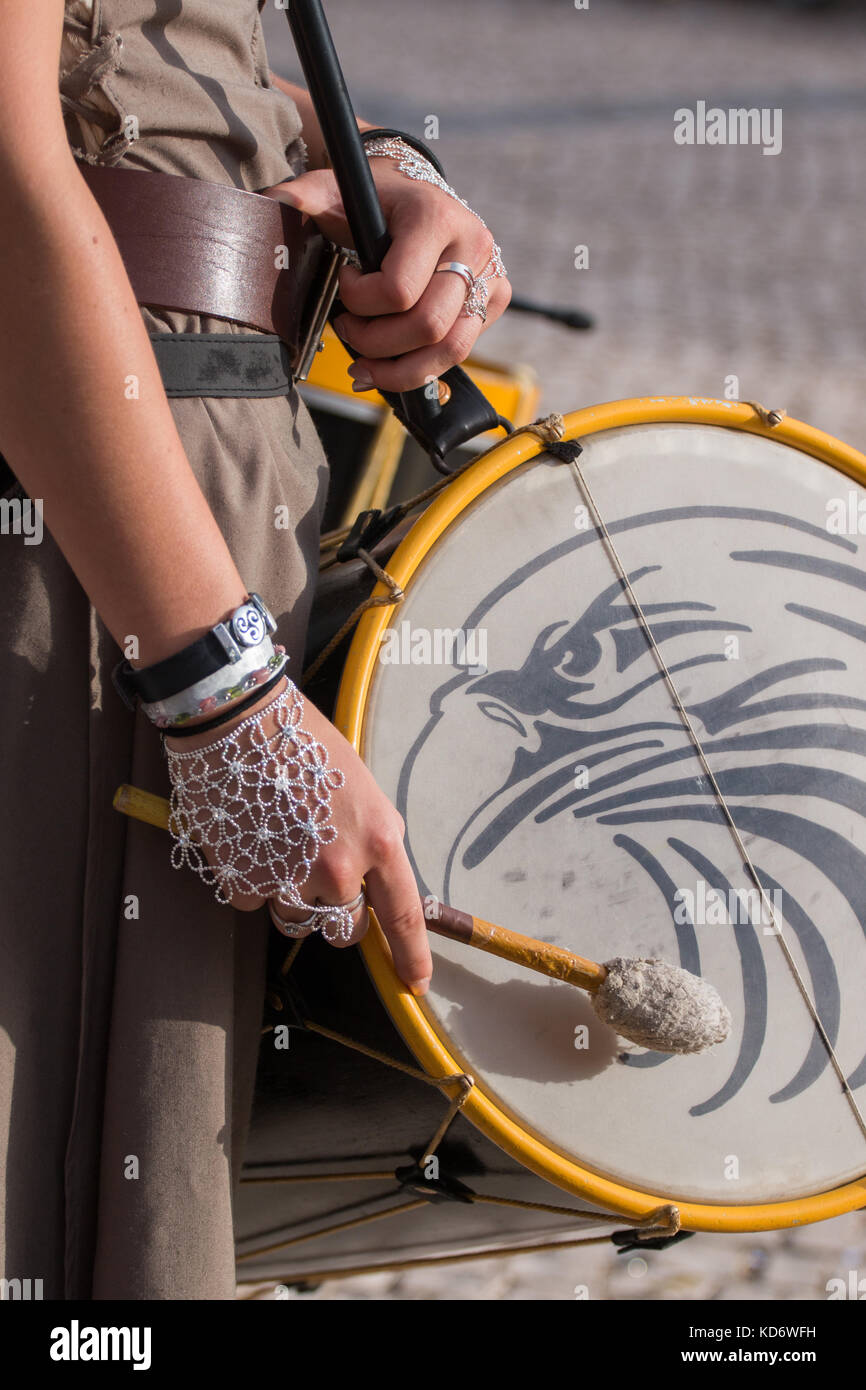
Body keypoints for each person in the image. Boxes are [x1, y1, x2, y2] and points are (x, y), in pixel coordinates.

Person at [0, 0, 510, 1300]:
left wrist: (376, 163)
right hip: (80, 530)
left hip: (169, 523)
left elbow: (119, 52)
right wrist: (222, 694)